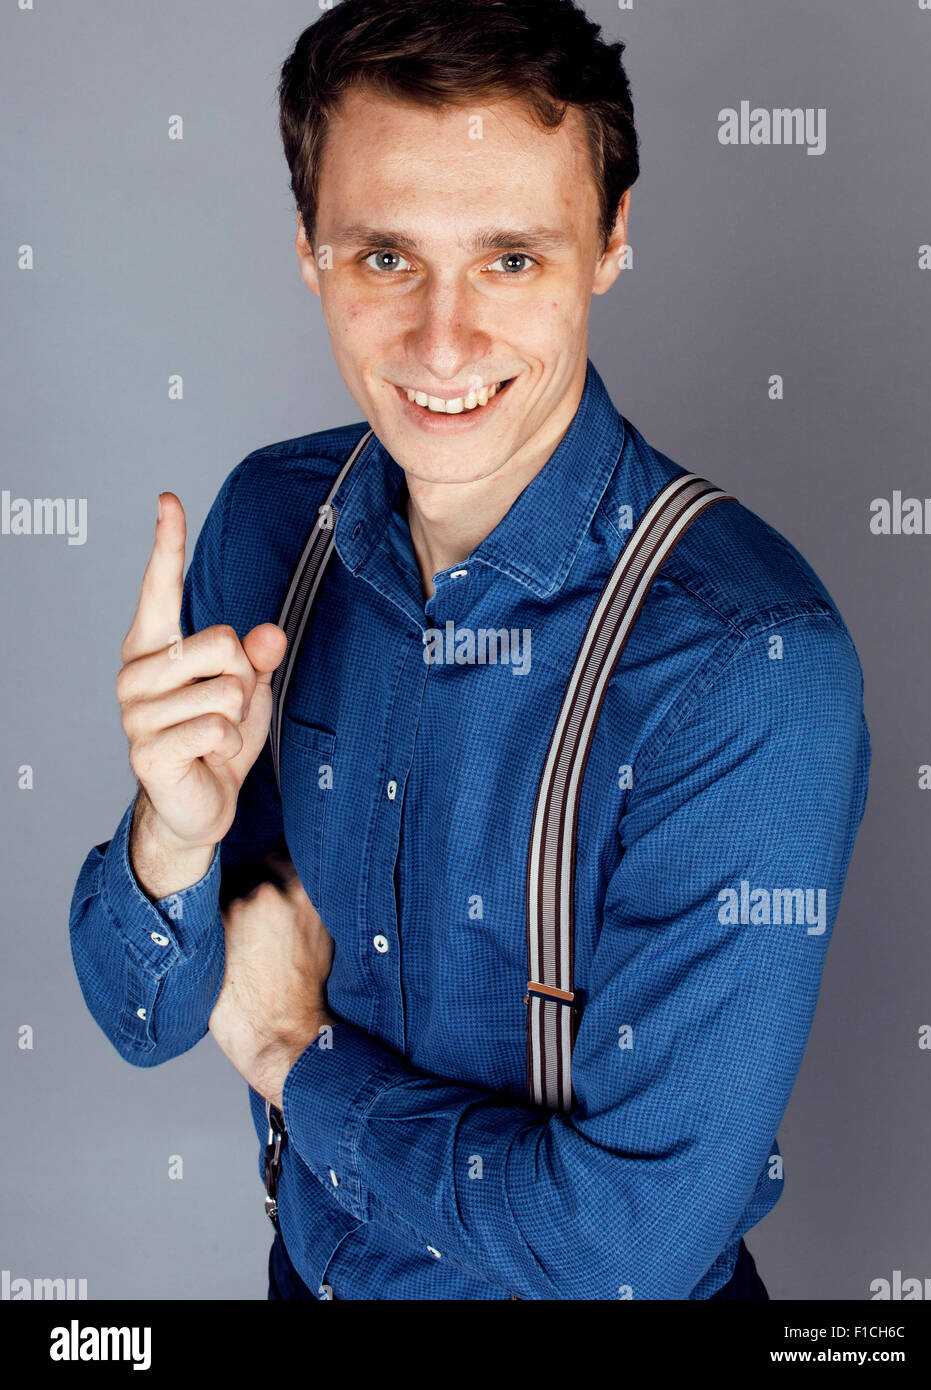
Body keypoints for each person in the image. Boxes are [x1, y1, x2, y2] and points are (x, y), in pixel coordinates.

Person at [69, 0, 870, 1301]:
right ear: (309, 251)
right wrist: (167, 837)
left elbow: (632, 1248)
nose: (444, 343)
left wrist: (292, 1055)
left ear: (609, 242)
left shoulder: (748, 664)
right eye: (386, 256)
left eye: (511, 258)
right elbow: (143, 1016)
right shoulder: (272, 525)